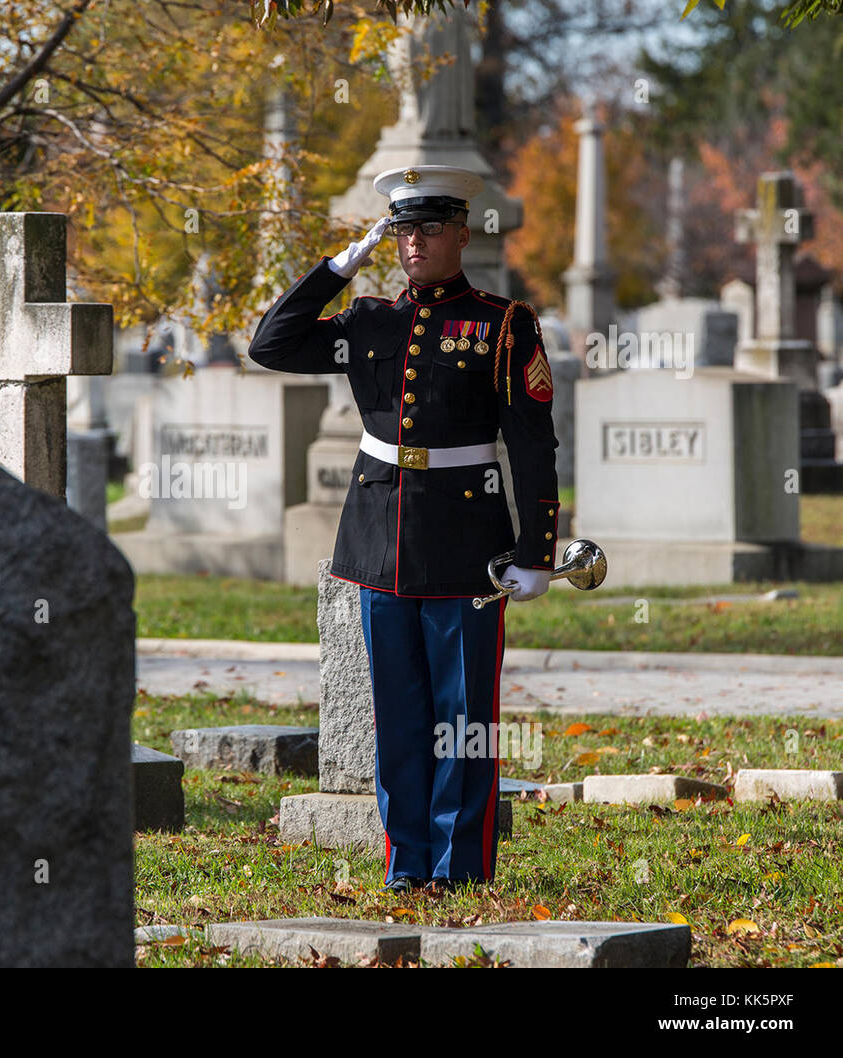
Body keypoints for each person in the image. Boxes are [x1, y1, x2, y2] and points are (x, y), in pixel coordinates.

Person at [247, 165, 559, 892]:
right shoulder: (369, 321)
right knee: (401, 717)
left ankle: (458, 868)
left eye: (427, 228)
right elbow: (270, 346)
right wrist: (333, 270)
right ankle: (406, 862)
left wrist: (536, 551)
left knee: (462, 719)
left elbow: (531, 444)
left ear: (459, 233)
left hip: (466, 544)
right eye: (401, 230)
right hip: (378, 542)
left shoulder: (503, 325)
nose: (413, 243)